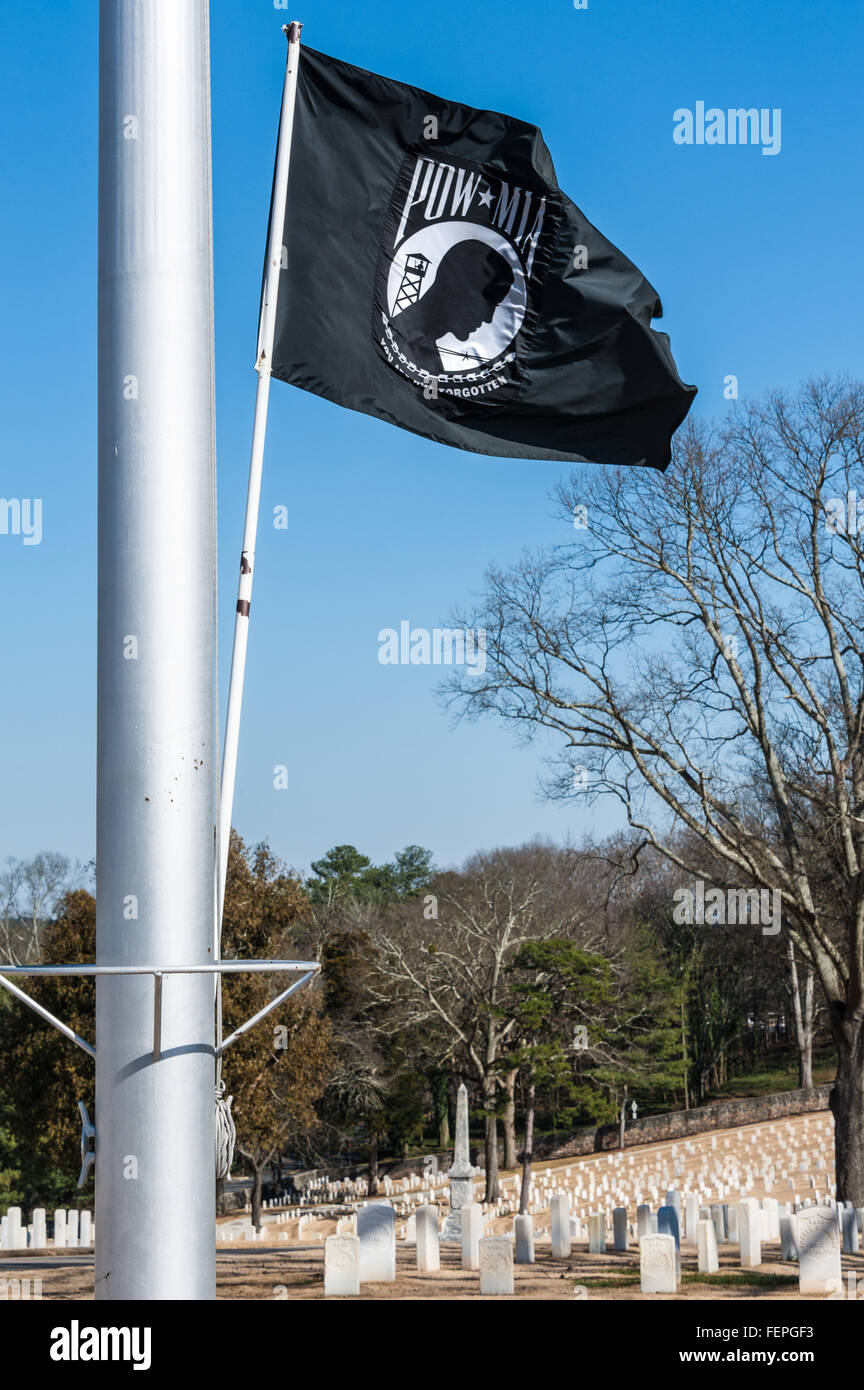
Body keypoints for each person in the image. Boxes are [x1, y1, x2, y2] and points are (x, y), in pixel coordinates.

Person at [392, 238, 513, 373]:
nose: (488, 319)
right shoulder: (405, 342)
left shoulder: (404, 337)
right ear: (457, 289)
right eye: (485, 301)